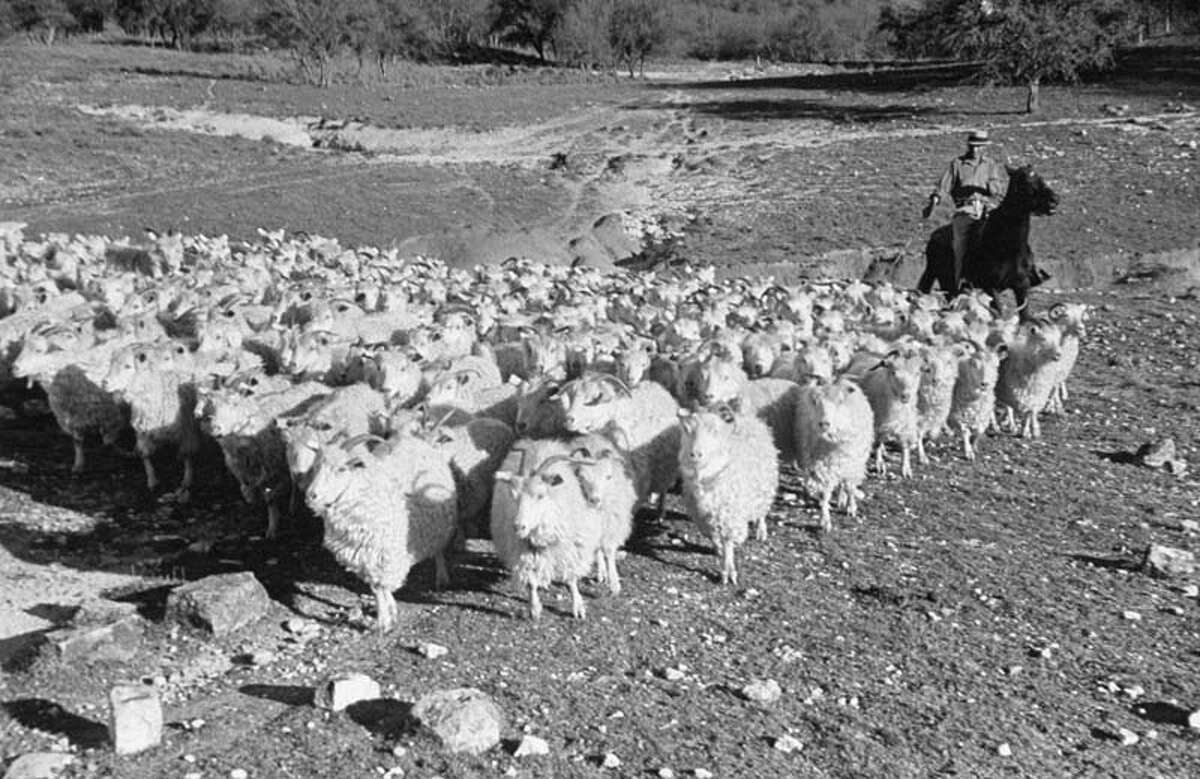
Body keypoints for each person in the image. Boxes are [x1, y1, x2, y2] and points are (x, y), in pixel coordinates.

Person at [921, 130, 1008, 292]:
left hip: (987, 208)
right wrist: (935, 199)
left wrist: (991, 189)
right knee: (960, 243)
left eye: (979, 147)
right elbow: (943, 185)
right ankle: (961, 279)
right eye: (972, 146)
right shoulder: (958, 164)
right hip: (965, 209)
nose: (975, 150)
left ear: (984, 148)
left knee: (1009, 234)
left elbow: (998, 191)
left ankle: (1021, 273)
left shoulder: (990, 165)